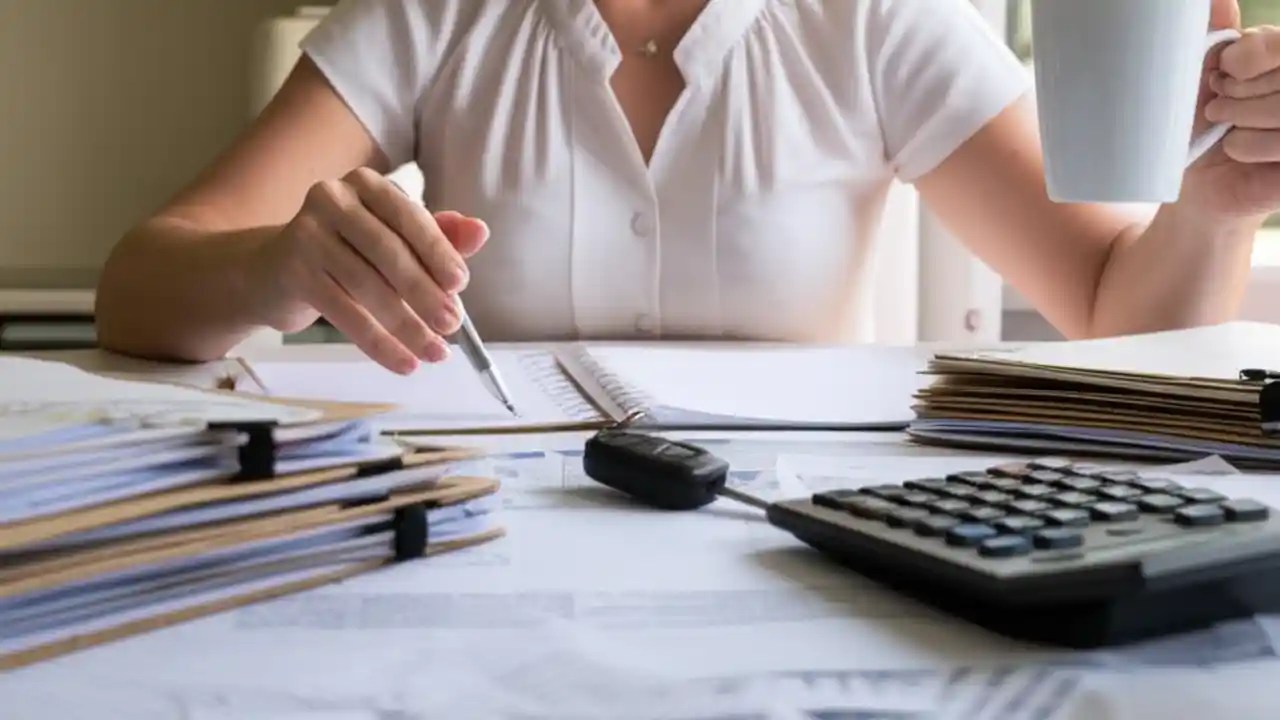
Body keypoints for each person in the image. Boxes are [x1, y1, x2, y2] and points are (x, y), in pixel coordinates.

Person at [95, 0, 1280, 375]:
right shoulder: (437, 8)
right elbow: (141, 286)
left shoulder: (876, 17)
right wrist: (274, 264)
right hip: (490, 558)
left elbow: (1113, 312)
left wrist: (1214, 203)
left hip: (811, 566)